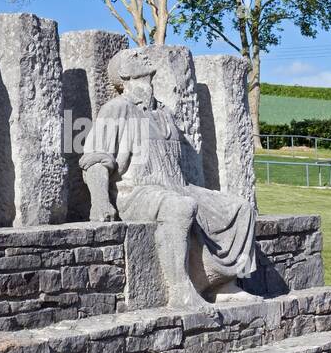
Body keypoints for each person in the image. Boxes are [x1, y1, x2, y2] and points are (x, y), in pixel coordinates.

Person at [79, 48, 256, 308]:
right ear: (124, 73)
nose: (142, 55)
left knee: (241, 209)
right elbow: (95, 158)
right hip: (135, 192)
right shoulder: (117, 109)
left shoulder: (164, 113)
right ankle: (180, 290)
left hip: (178, 187)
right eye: (134, 57)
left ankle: (223, 283)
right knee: (180, 207)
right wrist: (100, 201)